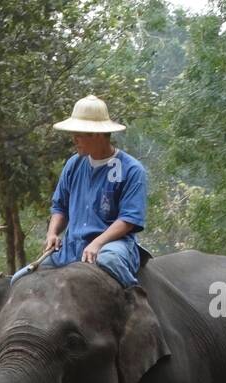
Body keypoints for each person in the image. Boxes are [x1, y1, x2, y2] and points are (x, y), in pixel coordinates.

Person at [13, 95, 147, 288]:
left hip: (112, 247)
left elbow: (128, 219)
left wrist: (98, 243)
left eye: (80, 134)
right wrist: (52, 233)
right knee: (20, 280)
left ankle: (135, 302)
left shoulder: (131, 169)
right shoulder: (73, 164)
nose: (74, 139)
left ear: (98, 134)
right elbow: (60, 207)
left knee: (109, 262)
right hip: (71, 247)